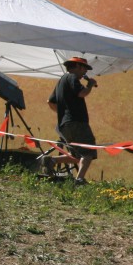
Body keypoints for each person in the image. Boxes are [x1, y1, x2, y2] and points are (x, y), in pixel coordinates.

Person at [48, 56, 99, 185]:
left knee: (77, 156)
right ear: (77, 66)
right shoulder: (72, 77)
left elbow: (50, 102)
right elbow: (82, 93)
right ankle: (79, 180)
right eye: (84, 69)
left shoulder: (61, 81)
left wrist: (64, 113)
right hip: (77, 123)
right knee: (89, 151)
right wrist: (90, 85)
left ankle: (51, 161)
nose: (85, 73)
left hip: (64, 125)